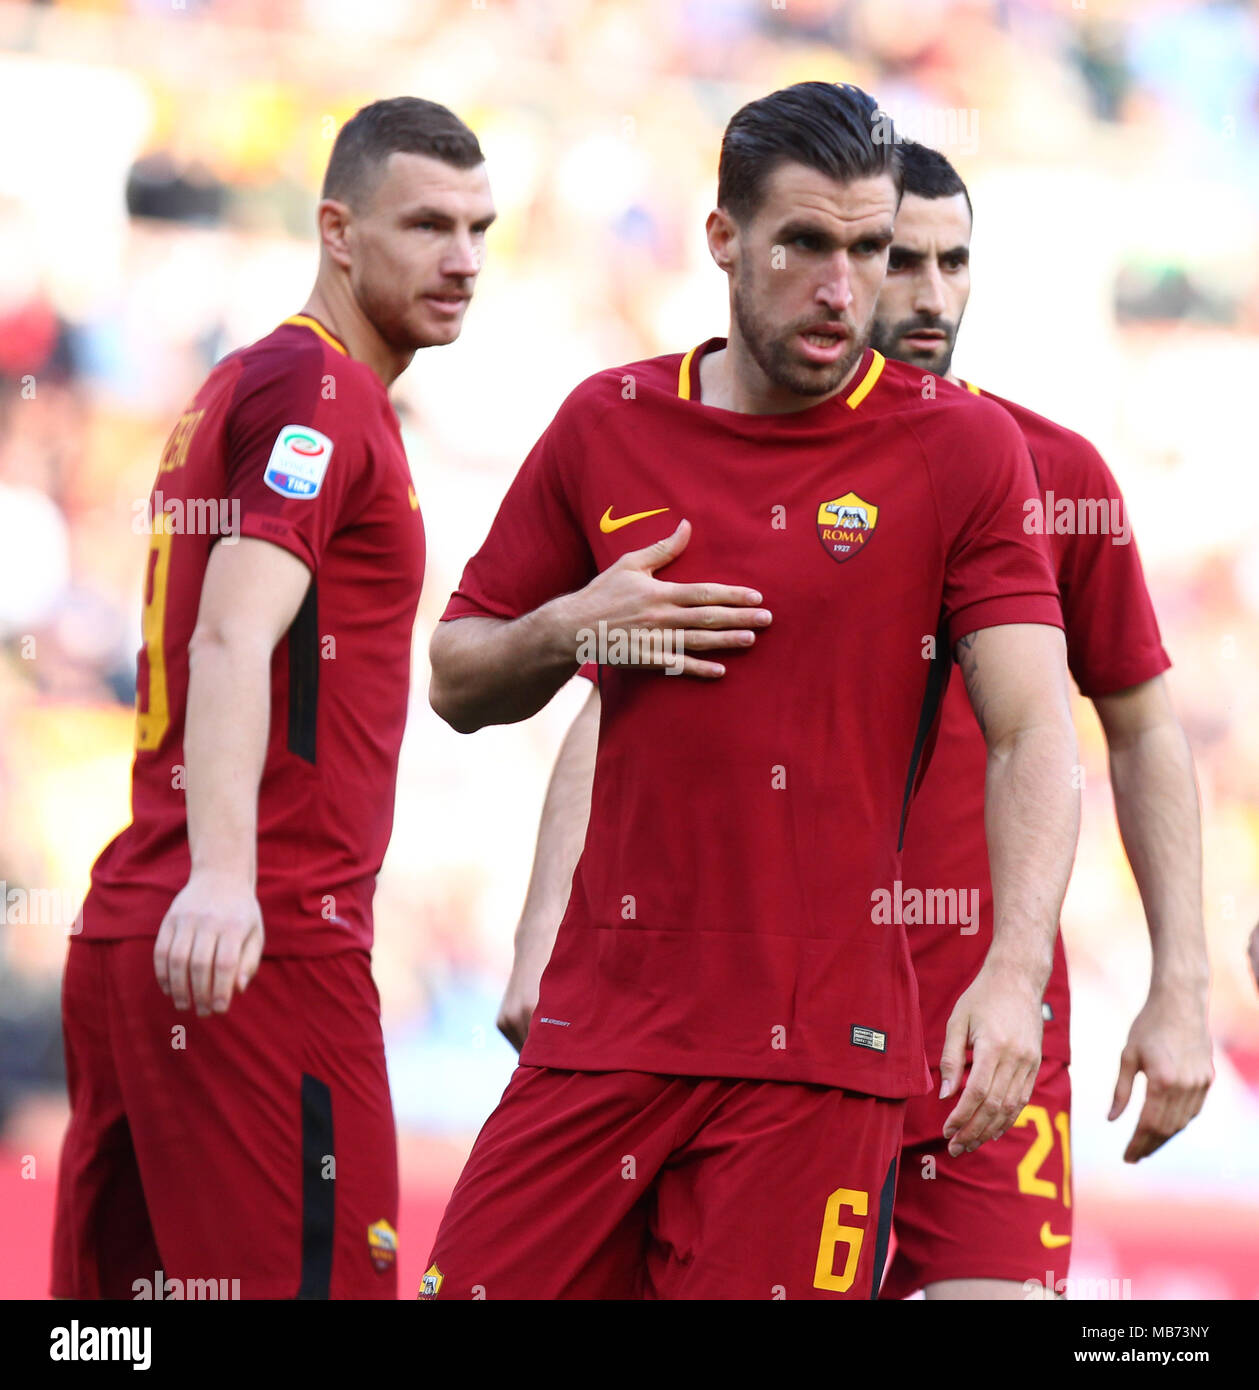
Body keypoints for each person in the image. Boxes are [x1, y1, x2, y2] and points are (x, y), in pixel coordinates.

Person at [421, 81, 1079, 1301]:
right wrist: (576, 626)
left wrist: (1011, 973)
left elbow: (1034, 730)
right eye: (807, 245)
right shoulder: (606, 421)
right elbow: (456, 674)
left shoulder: (959, 451)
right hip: (599, 1033)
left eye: (867, 249)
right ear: (723, 238)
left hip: (820, 1058)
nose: (844, 288)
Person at [53, 97, 495, 1300]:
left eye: (477, 228)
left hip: (135, 930)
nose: (460, 260)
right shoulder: (327, 393)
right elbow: (234, 631)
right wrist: (228, 874)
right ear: (337, 231)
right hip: (261, 948)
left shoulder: (242, 381)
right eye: (425, 225)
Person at [869, 142, 1212, 1301]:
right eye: (894, 260)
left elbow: (1145, 729)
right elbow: (623, 719)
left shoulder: (1053, 470)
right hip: (786, 1032)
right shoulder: (747, 472)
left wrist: (1180, 986)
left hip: (993, 1025)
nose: (927, 294)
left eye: (951, 262)